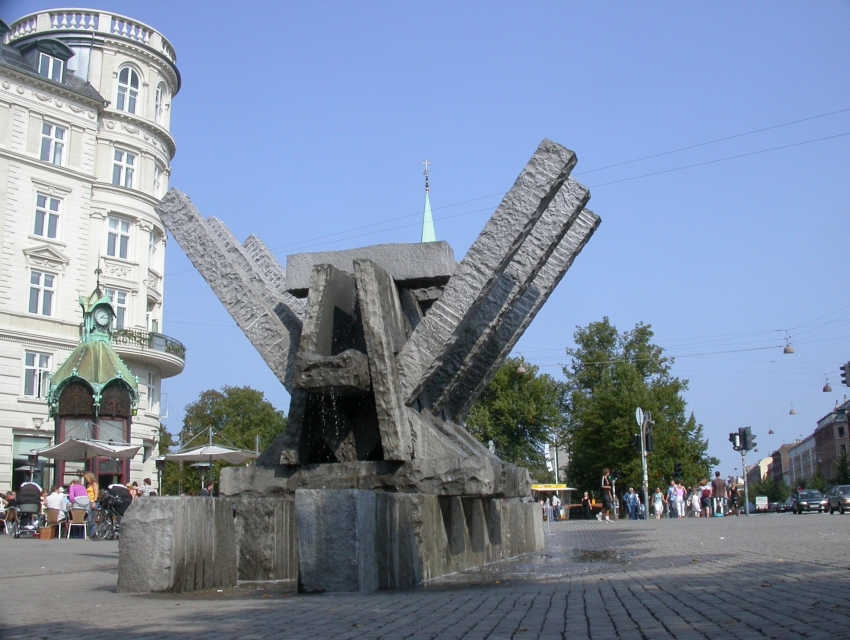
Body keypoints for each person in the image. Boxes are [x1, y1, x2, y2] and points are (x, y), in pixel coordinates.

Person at [83, 472, 99, 537]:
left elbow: (96, 493)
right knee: (88, 518)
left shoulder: (94, 484)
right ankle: (89, 532)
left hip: (92, 501)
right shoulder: (88, 485)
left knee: (92, 517)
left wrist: (94, 502)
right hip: (88, 501)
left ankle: (93, 533)